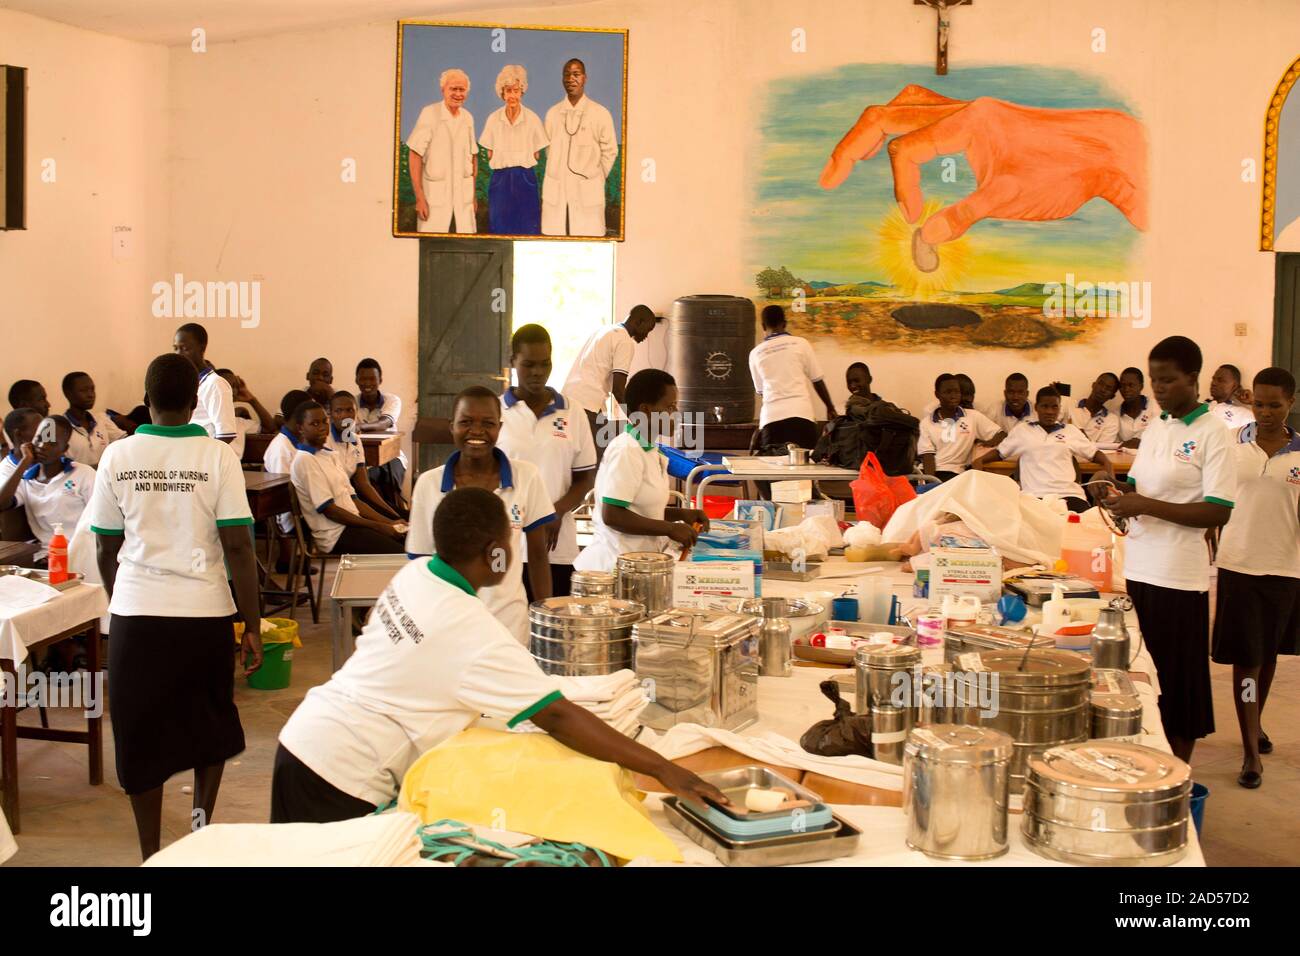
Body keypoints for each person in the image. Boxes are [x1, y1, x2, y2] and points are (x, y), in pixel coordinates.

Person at [271, 487, 727, 823]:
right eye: (508, 543)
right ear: (494, 554)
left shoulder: (415, 577)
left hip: (302, 740)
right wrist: (667, 770)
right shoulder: (472, 629)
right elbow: (560, 718)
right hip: (342, 774)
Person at [89, 353, 262, 860]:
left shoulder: (118, 456)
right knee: (208, 722)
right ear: (194, 403)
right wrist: (251, 624)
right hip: (204, 616)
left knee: (139, 732)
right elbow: (239, 550)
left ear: (145, 402)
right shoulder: (218, 457)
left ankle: (150, 852)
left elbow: (104, 546)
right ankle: (200, 831)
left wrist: (123, 594)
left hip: (136, 616)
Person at [1104, 336, 1236, 764]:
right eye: (1154, 380)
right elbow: (1144, 486)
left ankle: (1177, 770)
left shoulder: (1213, 433)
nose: (1158, 389)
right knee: (1144, 677)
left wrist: (1145, 505)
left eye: (1167, 380)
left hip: (1178, 577)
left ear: (1193, 379)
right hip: (1139, 568)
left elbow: (1218, 511)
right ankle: (1146, 761)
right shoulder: (1158, 425)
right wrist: (1124, 493)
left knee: (1179, 685)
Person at [406, 386, 555, 642]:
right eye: (465, 422)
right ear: (452, 426)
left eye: (487, 423)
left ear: (499, 427)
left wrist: (546, 618)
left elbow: (539, 556)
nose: (476, 431)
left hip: (509, 626)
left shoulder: (526, 477)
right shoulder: (429, 484)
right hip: (449, 626)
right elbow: (419, 562)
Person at [1210, 367, 1300, 789]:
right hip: (1239, 565)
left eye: (1275, 405)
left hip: (1285, 568)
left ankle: (1256, 723)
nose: (1265, 412)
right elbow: (1213, 498)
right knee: (1247, 660)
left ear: (1291, 403)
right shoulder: (1231, 445)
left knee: (1267, 658)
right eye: (1259, 404)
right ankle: (1250, 750)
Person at [574, 369, 709, 572]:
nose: (676, 415)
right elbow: (613, 515)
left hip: (637, 565)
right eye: (670, 407)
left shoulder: (649, 450)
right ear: (646, 410)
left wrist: (681, 514)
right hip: (613, 568)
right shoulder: (627, 450)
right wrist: (670, 528)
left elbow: (642, 510)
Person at [497, 325, 597, 599]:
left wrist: (557, 511)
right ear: (512, 363)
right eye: (528, 364)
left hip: (556, 545)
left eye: (544, 364)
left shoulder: (572, 411)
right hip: (507, 544)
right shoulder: (497, 412)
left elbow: (584, 477)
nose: (537, 372)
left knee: (551, 627)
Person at [288, 401, 405, 555]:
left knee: (407, 539)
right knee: (399, 553)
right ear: (300, 428)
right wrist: (377, 526)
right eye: (315, 423)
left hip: (353, 525)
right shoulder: (305, 460)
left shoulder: (329, 455)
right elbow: (331, 511)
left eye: (324, 421)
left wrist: (389, 522)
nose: (323, 427)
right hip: (335, 535)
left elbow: (354, 500)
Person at [973, 386, 1115, 512]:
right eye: (1044, 406)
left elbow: (1094, 454)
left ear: (1059, 408)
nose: (1049, 411)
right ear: (1036, 408)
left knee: (1086, 530)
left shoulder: (1071, 431)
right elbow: (1000, 453)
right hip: (1035, 497)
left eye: (1054, 407)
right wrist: (979, 461)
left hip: (1070, 495)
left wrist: (1108, 466)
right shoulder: (1023, 430)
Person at [563, 306, 658, 455]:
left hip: (569, 402)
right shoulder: (625, 341)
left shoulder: (604, 331)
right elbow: (618, 390)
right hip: (587, 406)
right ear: (638, 322)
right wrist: (635, 418)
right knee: (599, 458)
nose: (646, 336)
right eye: (648, 329)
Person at [0, 415, 95, 564]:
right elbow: (2, 503)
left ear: (64, 449)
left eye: (52, 442)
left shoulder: (83, 474)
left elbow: (100, 518)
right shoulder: (27, 480)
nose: (42, 446)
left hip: (85, 554)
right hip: (48, 558)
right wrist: (25, 462)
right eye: (39, 438)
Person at [541, 58, 618, 237]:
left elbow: (610, 150)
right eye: (566, 74)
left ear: (585, 78)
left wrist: (596, 178)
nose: (570, 79)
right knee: (553, 242)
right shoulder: (552, 114)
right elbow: (548, 151)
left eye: (576, 74)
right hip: (557, 193)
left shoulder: (600, 113)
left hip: (587, 192)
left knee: (587, 242)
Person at [748, 305, 837, 454]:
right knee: (805, 470)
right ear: (784, 323)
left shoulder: (755, 354)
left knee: (773, 472)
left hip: (771, 420)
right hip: (802, 416)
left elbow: (762, 391)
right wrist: (830, 407)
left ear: (763, 326)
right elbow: (817, 380)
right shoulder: (801, 344)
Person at [406, 68, 477, 234]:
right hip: (434, 198)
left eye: (462, 89)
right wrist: (420, 198)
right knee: (432, 244)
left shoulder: (468, 117)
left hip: (463, 199)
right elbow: (415, 154)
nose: (458, 94)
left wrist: (472, 197)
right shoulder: (429, 114)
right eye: (453, 89)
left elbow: (473, 157)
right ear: (443, 90)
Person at [479, 64, 548, 235]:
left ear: (522, 91)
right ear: (502, 93)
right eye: (508, 91)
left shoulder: (532, 119)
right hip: (500, 180)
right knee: (500, 226)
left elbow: (536, 154)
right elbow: (489, 153)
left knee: (527, 226)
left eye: (516, 91)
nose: (512, 96)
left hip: (525, 178)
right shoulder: (493, 119)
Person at [326, 391, 400, 521]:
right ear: (330, 415)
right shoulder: (326, 441)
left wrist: (393, 515)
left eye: (349, 410)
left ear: (356, 413)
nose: (344, 416)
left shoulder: (355, 440)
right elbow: (342, 496)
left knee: (402, 516)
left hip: (353, 496)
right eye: (338, 411)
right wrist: (389, 522)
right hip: (339, 502)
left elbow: (363, 484)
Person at [918, 374, 1003, 481]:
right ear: (937, 394)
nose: (953, 396)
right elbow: (927, 456)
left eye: (956, 392)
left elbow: (1001, 434)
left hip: (954, 473)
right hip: (930, 473)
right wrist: (932, 482)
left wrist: (991, 441)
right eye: (948, 392)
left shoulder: (973, 416)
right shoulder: (927, 422)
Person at [354, 358, 408, 514]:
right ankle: (387, 518)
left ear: (380, 380)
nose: (367, 383)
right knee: (368, 480)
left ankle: (395, 515)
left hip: (393, 457)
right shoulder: (351, 403)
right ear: (356, 380)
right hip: (364, 458)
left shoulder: (392, 400)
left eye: (372, 378)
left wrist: (360, 426)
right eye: (363, 378)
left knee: (390, 481)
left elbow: (384, 423)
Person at [172, 322, 237, 444]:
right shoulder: (187, 383)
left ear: (202, 348)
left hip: (204, 456)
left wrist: (206, 457)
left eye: (184, 349)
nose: (178, 354)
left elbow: (226, 434)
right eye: (175, 348)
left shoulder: (215, 384)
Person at [61, 372, 133, 467]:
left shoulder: (101, 419)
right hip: (77, 481)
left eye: (92, 389)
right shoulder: (60, 427)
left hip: (104, 479)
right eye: (83, 390)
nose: (90, 395)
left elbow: (124, 443)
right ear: (68, 394)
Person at [216, 368, 275, 460]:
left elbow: (270, 427)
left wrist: (252, 400)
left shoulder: (238, 422)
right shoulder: (203, 418)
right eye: (228, 385)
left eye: (235, 386)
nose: (233, 390)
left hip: (234, 468)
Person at [1068, 373, 1121, 444]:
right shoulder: (1069, 405)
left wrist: (1081, 437)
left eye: (1108, 388)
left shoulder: (1111, 420)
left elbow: (1101, 449)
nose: (1103, 389)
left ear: (1112, 396)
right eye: (1101, 384)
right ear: (1093, 385)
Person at [1, 408, 43, 487]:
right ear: (19, 434)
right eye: (40, 430)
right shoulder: (4, 473)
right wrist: (25, 461)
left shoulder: (51, 459)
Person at [1207, 363, 1255, 430]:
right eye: (1213, 379)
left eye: (1220, 380)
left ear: (1234, 386)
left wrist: (1253, 402)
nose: (1213, 383)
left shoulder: (1243, 415)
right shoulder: (1199, 407)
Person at [1117, 366, 1154, 448]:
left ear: (1141, 386)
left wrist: (1142, 441)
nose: (1126, 389)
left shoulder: (1156, 407)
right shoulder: (1115, 415)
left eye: (1131, 385)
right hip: (1126, 460)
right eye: (1122, 385)